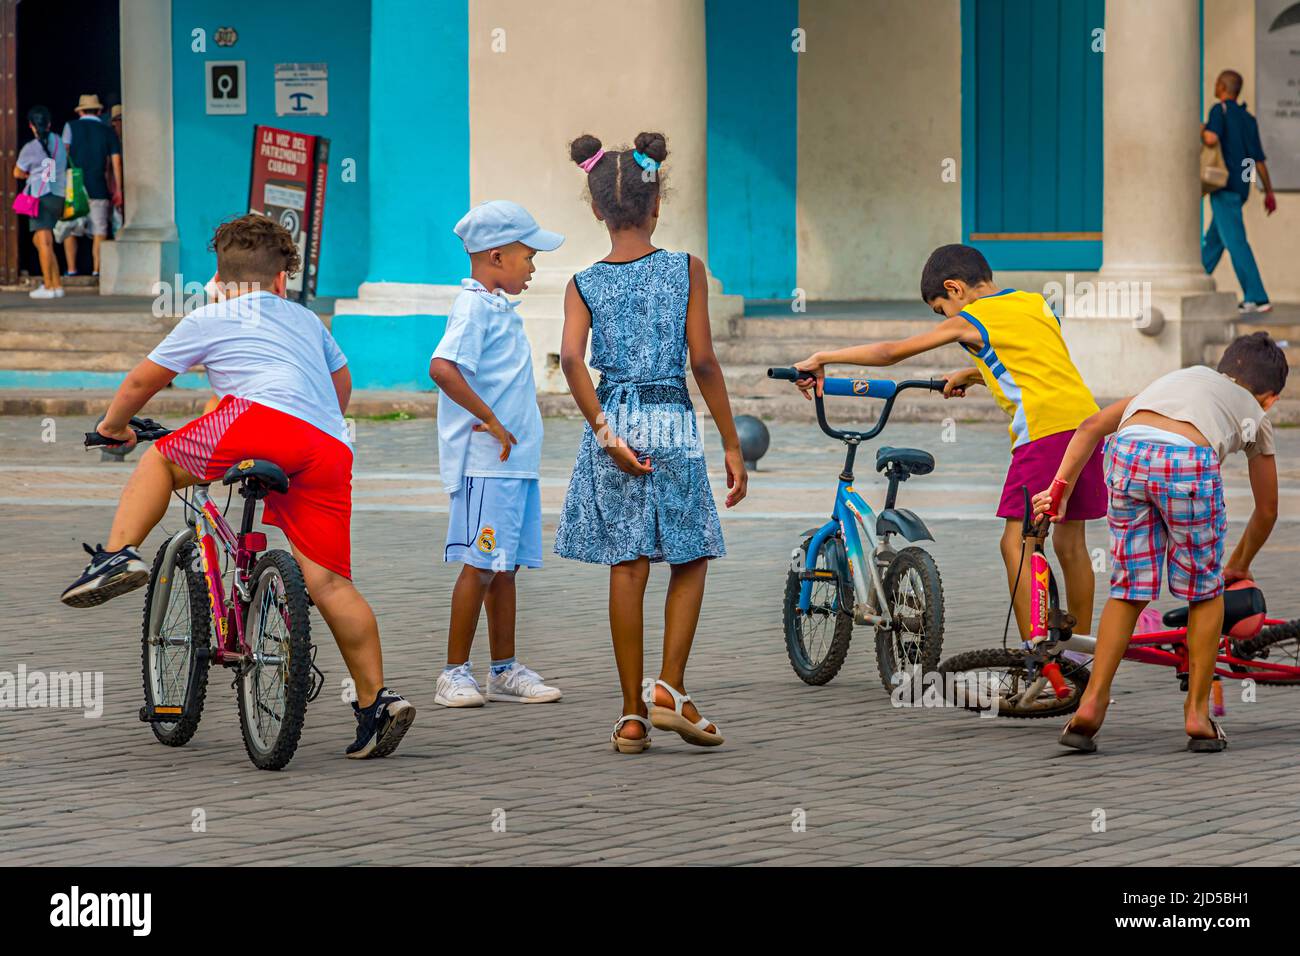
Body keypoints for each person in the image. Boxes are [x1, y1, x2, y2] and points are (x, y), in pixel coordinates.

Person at [59, 213, 415, 759]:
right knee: (331, 585)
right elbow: (340, 384)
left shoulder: (212, 315)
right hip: (326, 446)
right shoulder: (307, 320)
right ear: (281, 280)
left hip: (258, 423)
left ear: (220, 280)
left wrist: (111, 428)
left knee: (159, 460)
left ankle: (115, 556)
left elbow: (141, 381)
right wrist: (309, 427)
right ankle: (376, 704)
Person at [792, 244, 1106, 651]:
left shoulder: (971, 319)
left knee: (1016, 543)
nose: (946, 319)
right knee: (1069, 542)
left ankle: (1039, 658)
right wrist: (974, 375)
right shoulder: (1036, 304)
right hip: (1088, 426)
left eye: (942, 309)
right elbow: (1034, 362)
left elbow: (891, 353)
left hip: (1044, 434)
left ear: (954, 288)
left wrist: (823, 357)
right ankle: (1080, 656)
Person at [555, 132, 748, 754]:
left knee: (628, 563)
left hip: (616, 416)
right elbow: (705, 362)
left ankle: (631, 715)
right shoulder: (685, 268)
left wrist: (606, 434)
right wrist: (731, 443)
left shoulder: (582, 282)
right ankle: (672, 686)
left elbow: (569, 358)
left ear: (595, 211)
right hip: (670, 415)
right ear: (657, 201)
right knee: (690, 554)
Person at [1035, 332, 1285, 753]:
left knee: (1128, 591)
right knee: (1205, 594)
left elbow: (1092, 425)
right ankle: (1197, 714)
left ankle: (1092, 703)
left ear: (1223, 366)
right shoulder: (1256, 415)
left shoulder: (1175, 378)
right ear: (1270, 398)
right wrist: (1239, 564)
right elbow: (1267, 510)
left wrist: (1059, 487)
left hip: (1127, 453)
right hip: (1188, 462)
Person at [428, 200, 566, 708]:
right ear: (495, 255)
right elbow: (443, 368)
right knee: (479, 565)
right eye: (528, 256)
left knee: (503, 566)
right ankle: (453, 673)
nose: (533, 266)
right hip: (487, 466)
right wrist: (487, 418)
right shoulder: (473, 307)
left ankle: (504, 669)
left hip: (512, 467)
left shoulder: (494, 306)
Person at [1202, 70, 1276, 314]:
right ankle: (1199, 279)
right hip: (1240, 189)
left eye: (1215, 82)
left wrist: (1201, 129)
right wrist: (1268, 192)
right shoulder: (1248, 118)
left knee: (1235, 242)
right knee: (1215, 239)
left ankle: (1257, 296)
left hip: (1223, 186)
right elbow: (1259, 160)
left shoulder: (1218, 110)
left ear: (1223, 87)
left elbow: (1211, 139)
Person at [61, 94, 123, 277]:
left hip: (74, 186)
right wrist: (118, 189)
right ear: (99, 111)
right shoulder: (108, 132)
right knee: (99, 230)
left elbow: (62, 154)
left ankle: (72, 269)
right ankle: (97, 270)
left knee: (70, 229)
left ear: (80, 112)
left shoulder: (70, 127)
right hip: (98, 186)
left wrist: (54, 183)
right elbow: (116, 162)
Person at [13, 105, 67, 299]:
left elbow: (17, 172)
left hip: (40, 195)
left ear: (31, 126)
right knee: (42, 241)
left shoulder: (30, 148)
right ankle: (57, 283)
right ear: (49, 124)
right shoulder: (59, 142)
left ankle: (49, 286)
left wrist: (30, 173)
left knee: (43, 241)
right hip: (58, 195)